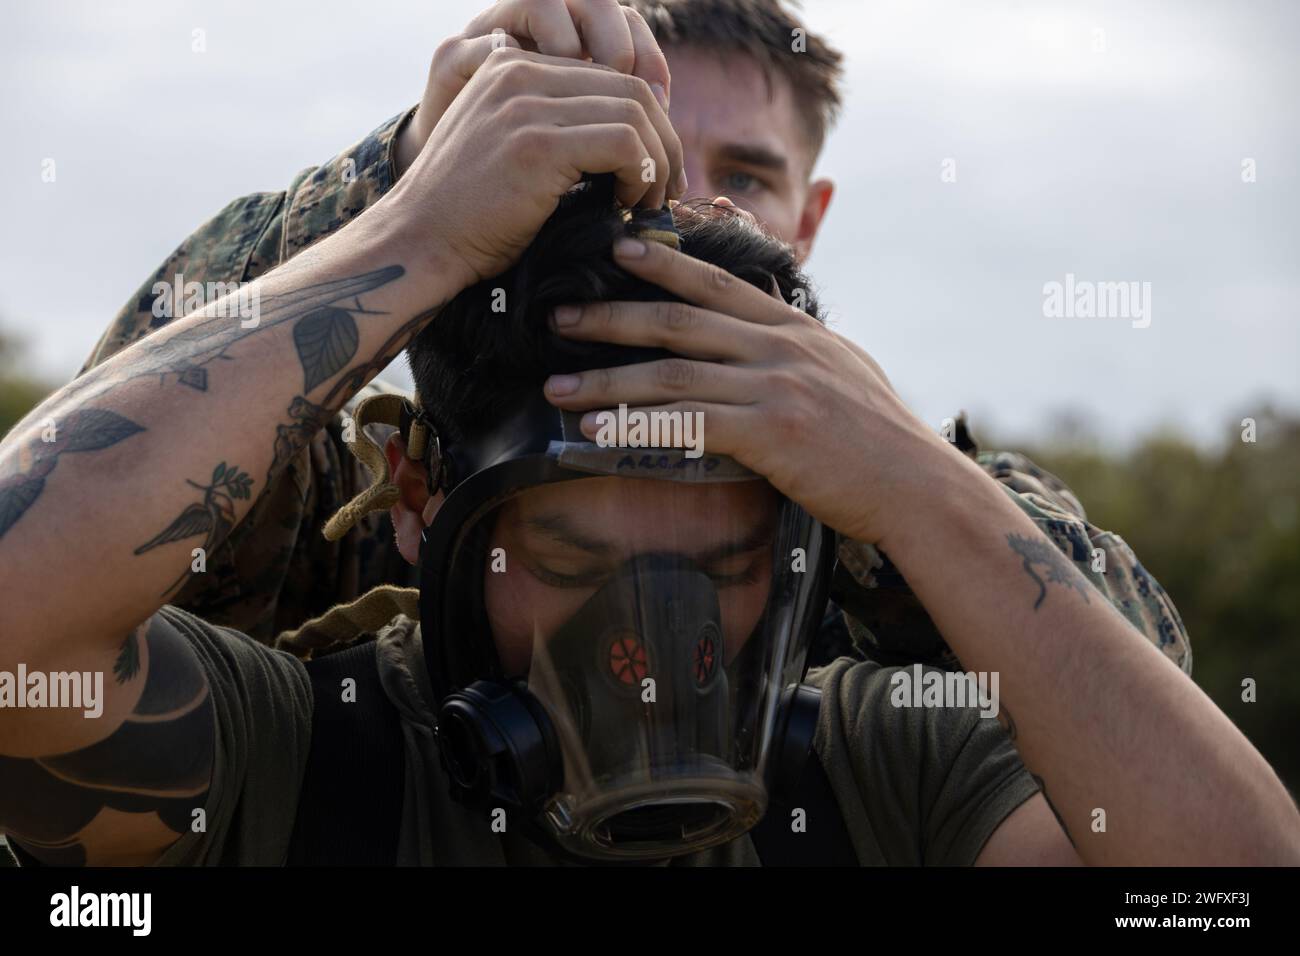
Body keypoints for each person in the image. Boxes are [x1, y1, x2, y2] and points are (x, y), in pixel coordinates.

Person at [3, 156, 1297, 864]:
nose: (646, 644)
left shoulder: (894, 768)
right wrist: (414, 223)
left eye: (727, 551)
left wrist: (918, 482)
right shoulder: (298, 764)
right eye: (568, 548)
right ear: (419, 502)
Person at [71, 0, 1189, 679]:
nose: (672, 194)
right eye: (611, 137)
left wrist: (875, 491)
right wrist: (401, 176)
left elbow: (1143, 720)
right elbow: (85, 486)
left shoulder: (915, 501)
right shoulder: (371, 486)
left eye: (744, 174)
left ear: (811, 218)